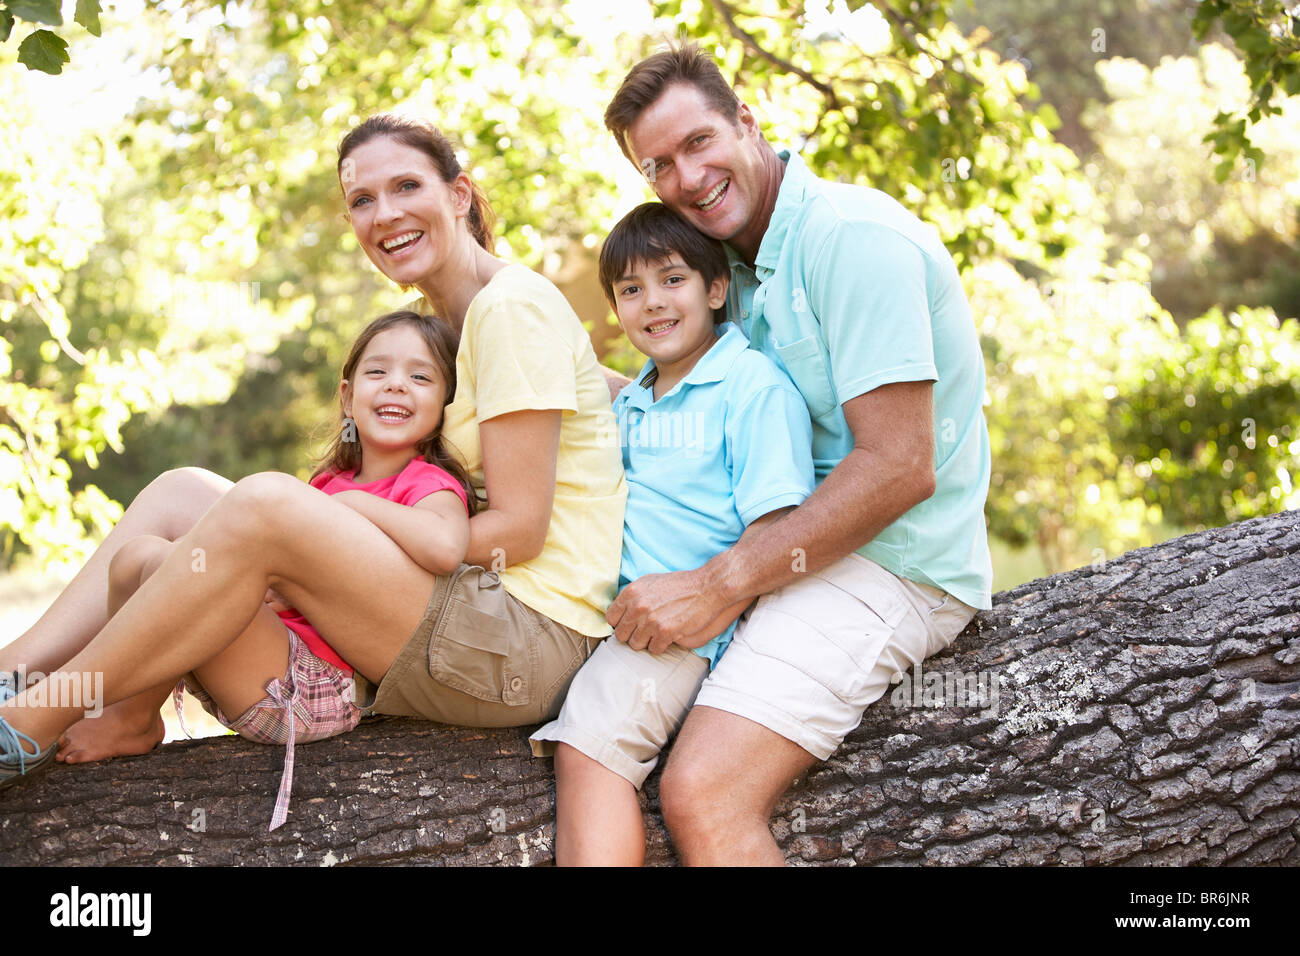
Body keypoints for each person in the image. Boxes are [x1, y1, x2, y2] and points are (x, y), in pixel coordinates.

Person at [0, 115, 627, 814]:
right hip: (462, 612)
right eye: (363, 200)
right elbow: (600, 386)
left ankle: (31, 720)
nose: (384, 214)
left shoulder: (511, 309)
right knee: (183, 492)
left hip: (523, 640)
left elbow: (520, 533)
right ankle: (14, 672)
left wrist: (324, 544)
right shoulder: (442, 322)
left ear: (459, 194)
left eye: (406, 186)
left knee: (269, 506)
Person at [601, 44, 994, 865]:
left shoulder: (852, 240)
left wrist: (719, 585)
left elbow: (897, 467)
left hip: (892, 562)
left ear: (748, 121)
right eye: (659, 165)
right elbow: (662, 398)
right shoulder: (726, 266)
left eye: (700, 141)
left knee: (704, 790)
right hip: (791, 551)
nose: (688, 176)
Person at [3, 309, 474, 827]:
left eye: (421, 376)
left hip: (314, 689)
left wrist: (354, 509)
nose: (397, 387)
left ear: (445, 404)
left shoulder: (425, 483)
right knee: (140, 558)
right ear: (347, 396)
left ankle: (62, 713)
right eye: (378, 372)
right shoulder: (327, 484)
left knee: (166, 566)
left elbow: (445, 545)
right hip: (270, 656)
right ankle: (129, 717)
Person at [529, 202, 814, 865]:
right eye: (631, 290)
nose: (652, 302)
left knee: (591, 753)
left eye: (672, 279)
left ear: (718, 289)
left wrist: (709, 614)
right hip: (618, 620)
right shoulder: (638, 398)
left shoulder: (752, 387)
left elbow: (776, 532)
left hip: (683, 631)